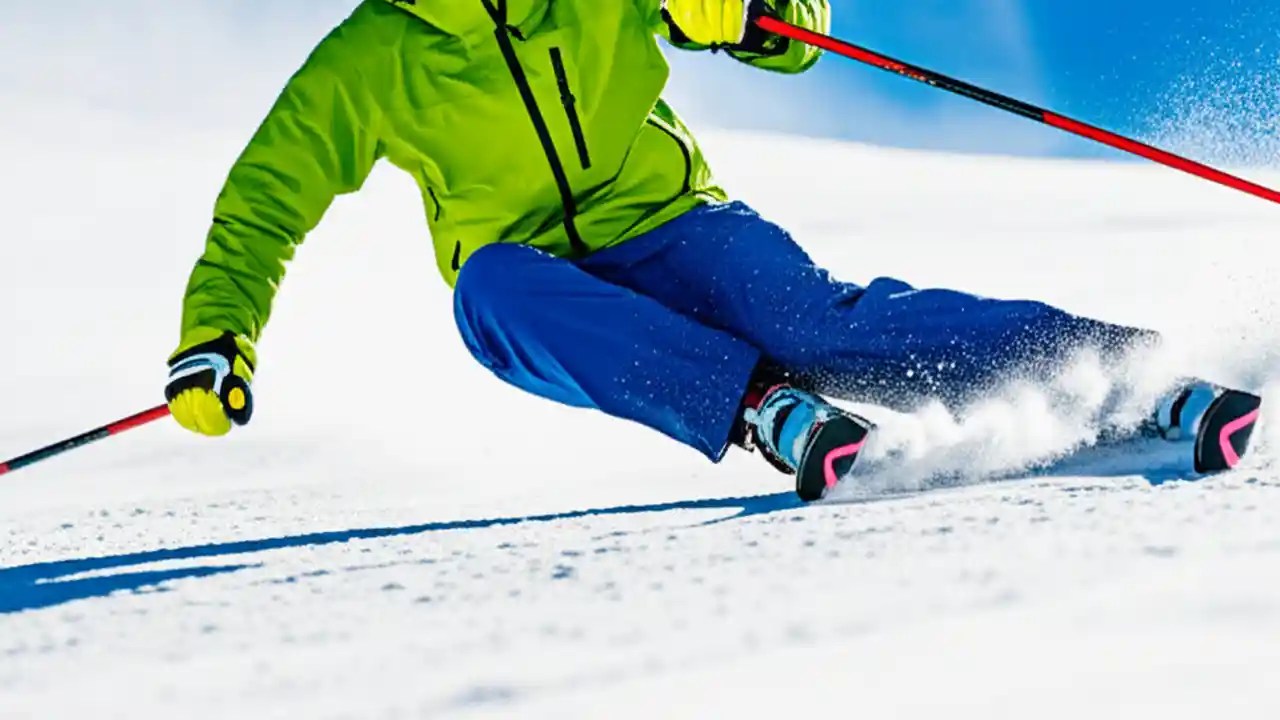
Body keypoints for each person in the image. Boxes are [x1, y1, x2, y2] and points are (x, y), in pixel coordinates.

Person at [164, 0, 1258, 500]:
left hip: (681, 225)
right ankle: (758, 412)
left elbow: (784, 28)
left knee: (817, 325)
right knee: (488, 286)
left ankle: (1124, 373)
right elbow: (265, 199)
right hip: (544, 288)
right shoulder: (367, 58)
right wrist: (218, 335)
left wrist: (749, 12)